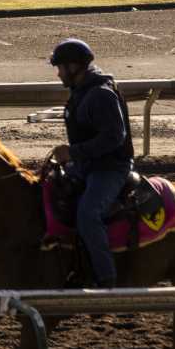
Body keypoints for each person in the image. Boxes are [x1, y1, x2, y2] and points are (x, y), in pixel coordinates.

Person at [43, 39, 133, 289]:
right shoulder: (82, 91)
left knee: (87, 215)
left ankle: (105, 278)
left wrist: (73, 152)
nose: (58, 73)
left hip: (110, 169)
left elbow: (115, 137)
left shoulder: (101, 95)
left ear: (74, 67)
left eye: (60, 67)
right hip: (87, 165)